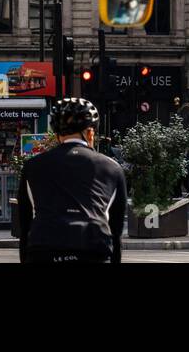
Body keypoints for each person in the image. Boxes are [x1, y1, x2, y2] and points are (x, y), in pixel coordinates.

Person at [16, 97, 127, 264]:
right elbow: (116, 231)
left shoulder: (33, 166)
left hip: (44, 250)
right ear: (90, 132)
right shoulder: (112, 168)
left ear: (57, 134)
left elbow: (25, 227)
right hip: (91, 248)